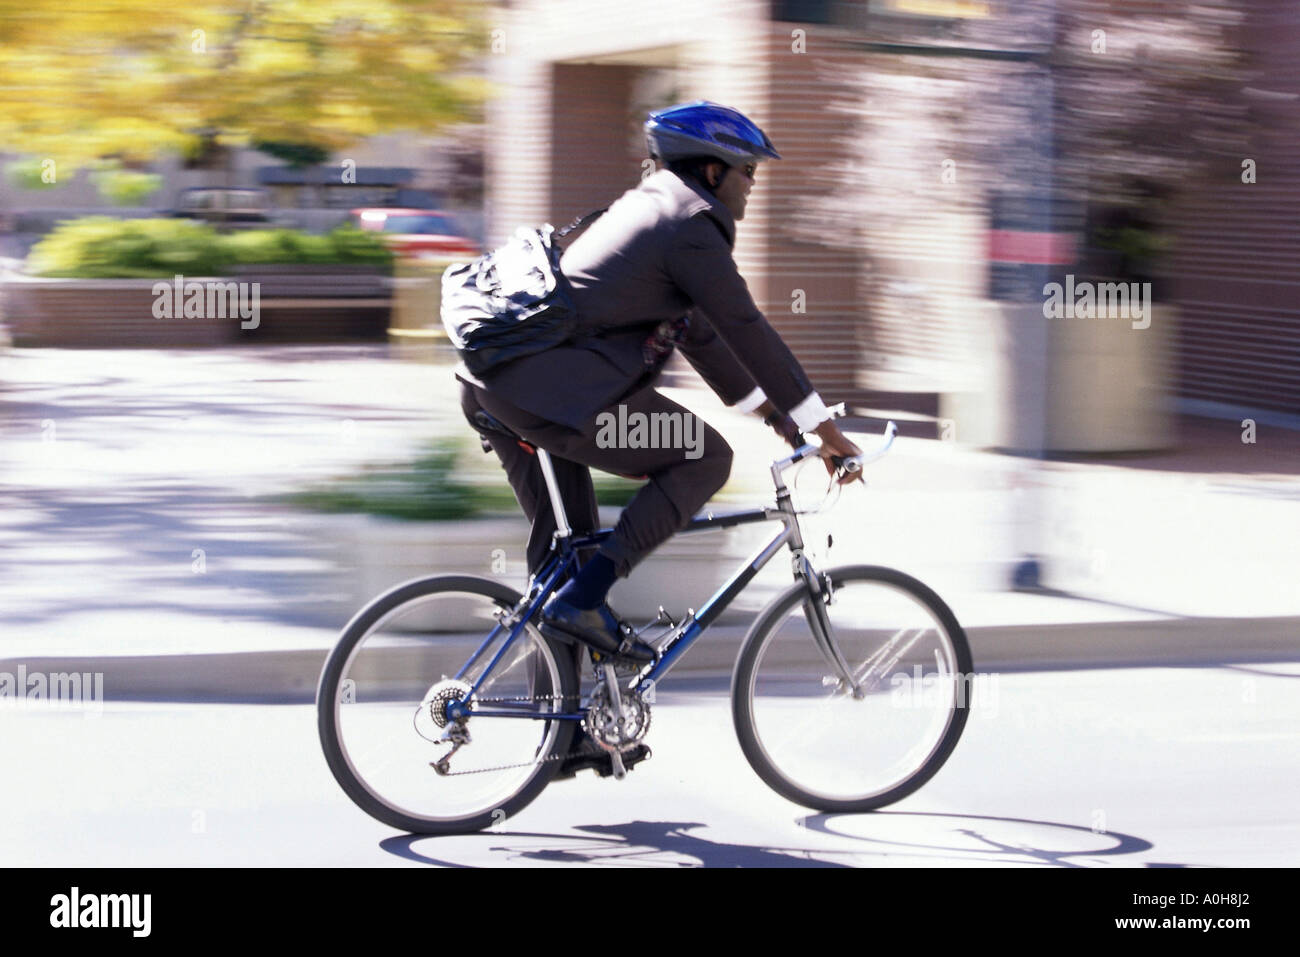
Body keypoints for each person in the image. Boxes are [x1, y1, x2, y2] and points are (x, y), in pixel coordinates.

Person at [458, 100, 862, 667]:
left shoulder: (647, 210)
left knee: (564, 562)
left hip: (500, 386)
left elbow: (699, 335)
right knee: (703, 457)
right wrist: (827, 429)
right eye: (748, 171)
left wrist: (778, 418)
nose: (752, 185)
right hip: (555, 397)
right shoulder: (690, 226)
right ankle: (585, 600)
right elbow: (745, 327)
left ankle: (566, 738)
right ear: (712, 170)